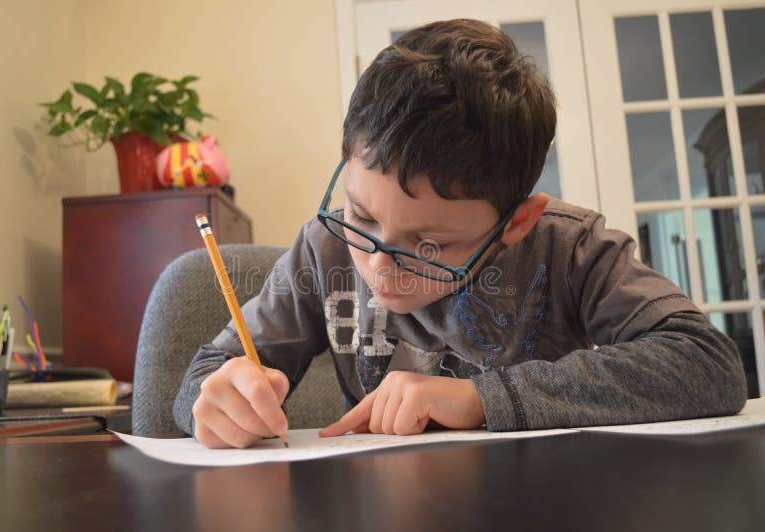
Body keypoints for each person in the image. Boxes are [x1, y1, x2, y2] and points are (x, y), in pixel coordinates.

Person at [174, 18, 746, 448]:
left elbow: (707, 364)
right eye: (363, 218)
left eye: (431, 246)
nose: (381, 269)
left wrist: (482, 398)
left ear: (516, 222)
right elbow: (199, 379)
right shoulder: (322, 249)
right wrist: (220, 398)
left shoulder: (569, 248)